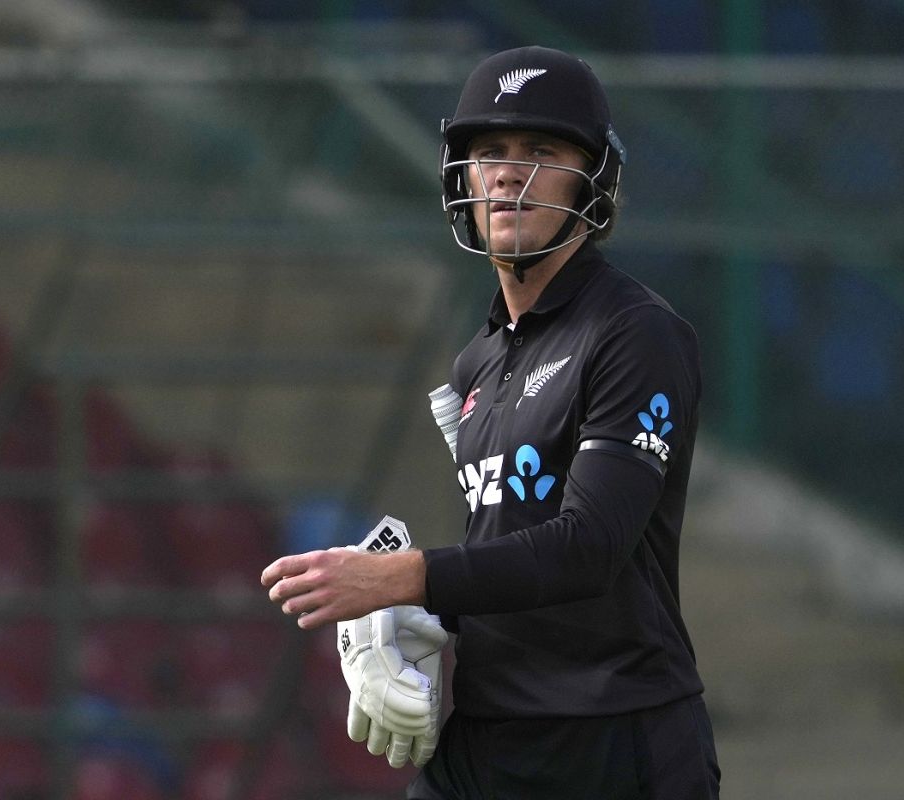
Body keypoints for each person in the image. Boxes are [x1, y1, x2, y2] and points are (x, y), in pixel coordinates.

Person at [262, 45, 721, 799]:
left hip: (616, 742)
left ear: (595, 180)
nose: (510, 172)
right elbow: (507, 550)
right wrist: (420, 626)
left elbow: (590, 548)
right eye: (489, 153)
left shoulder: (636, 333)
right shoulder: (475, 364)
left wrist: (405, 578)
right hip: (482, 743)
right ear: (463, 182)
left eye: (541, 150)